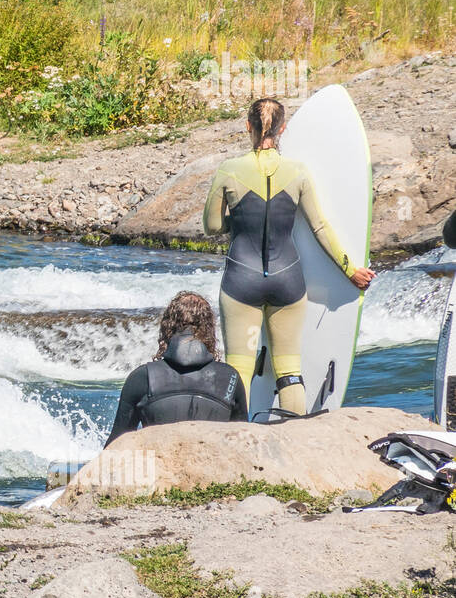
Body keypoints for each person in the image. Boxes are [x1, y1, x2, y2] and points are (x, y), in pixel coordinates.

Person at [203, 97, 375, 415]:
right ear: (282, 129)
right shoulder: (298, 172)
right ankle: (293, 441)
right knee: (289, 370)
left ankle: (235, 441)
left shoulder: (229, 170)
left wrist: (237, 221)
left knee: (239, 369)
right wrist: (350, 270)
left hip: (242, 281)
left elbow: (212, 226)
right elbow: (320, 227)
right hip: (288, 281)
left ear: (248, 126)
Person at [105, 292, 247, 446]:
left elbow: (115, 446)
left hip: (160, 466)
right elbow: (242, 444)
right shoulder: (230, 377)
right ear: (209, 330)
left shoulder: (143, 376)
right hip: (211, 466)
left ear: (167, 328)